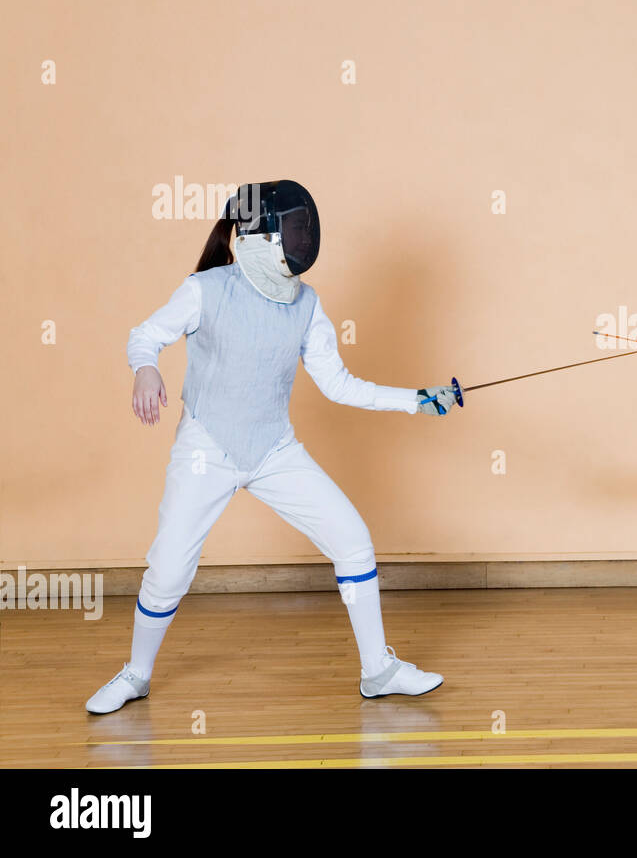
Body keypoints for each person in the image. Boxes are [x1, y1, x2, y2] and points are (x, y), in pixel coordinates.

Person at [86, 181, 460, 714]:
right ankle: (135, 674)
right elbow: (144, 335)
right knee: (168, 571)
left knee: (353, 539)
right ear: (260, 235)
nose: (303, 239)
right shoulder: (207, 288)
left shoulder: (307, 305)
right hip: (206, 448)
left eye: (306, 228)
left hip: (273, 452)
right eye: (295, 228)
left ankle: (379, 671)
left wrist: (418, 400)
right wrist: (146, 369)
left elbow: (339, 385)